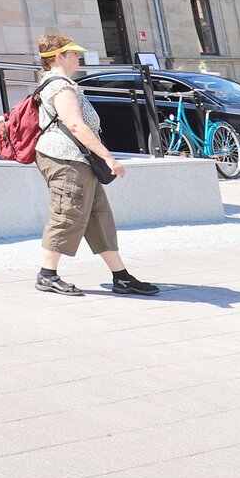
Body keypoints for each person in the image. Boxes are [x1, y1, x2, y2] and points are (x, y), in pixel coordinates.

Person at [32, 34, 158, 296]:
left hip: (79, 160)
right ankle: (47, 275)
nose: (79, 56)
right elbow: (75, 125)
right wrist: (108, 156)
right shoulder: (60, 86)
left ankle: (121, 277)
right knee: (67, 214)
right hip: (65, 159)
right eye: (74, 53)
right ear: (59, 57)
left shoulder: (63, 83)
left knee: (98, 216)